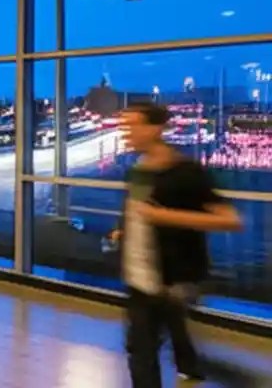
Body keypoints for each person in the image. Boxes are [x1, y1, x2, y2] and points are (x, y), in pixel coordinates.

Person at [113, 102, 241, 388]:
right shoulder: (137, 170)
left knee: (141, 350)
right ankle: (192, 367)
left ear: (156, 128)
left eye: (133, 125)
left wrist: (163, 216)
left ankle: (196, 367)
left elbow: (230, 219)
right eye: (125, 126)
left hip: (172, 277)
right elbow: (136, 213)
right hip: (139, 276)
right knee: (166, 330)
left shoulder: (186, 172)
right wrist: (123, 231)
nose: (126, 133)